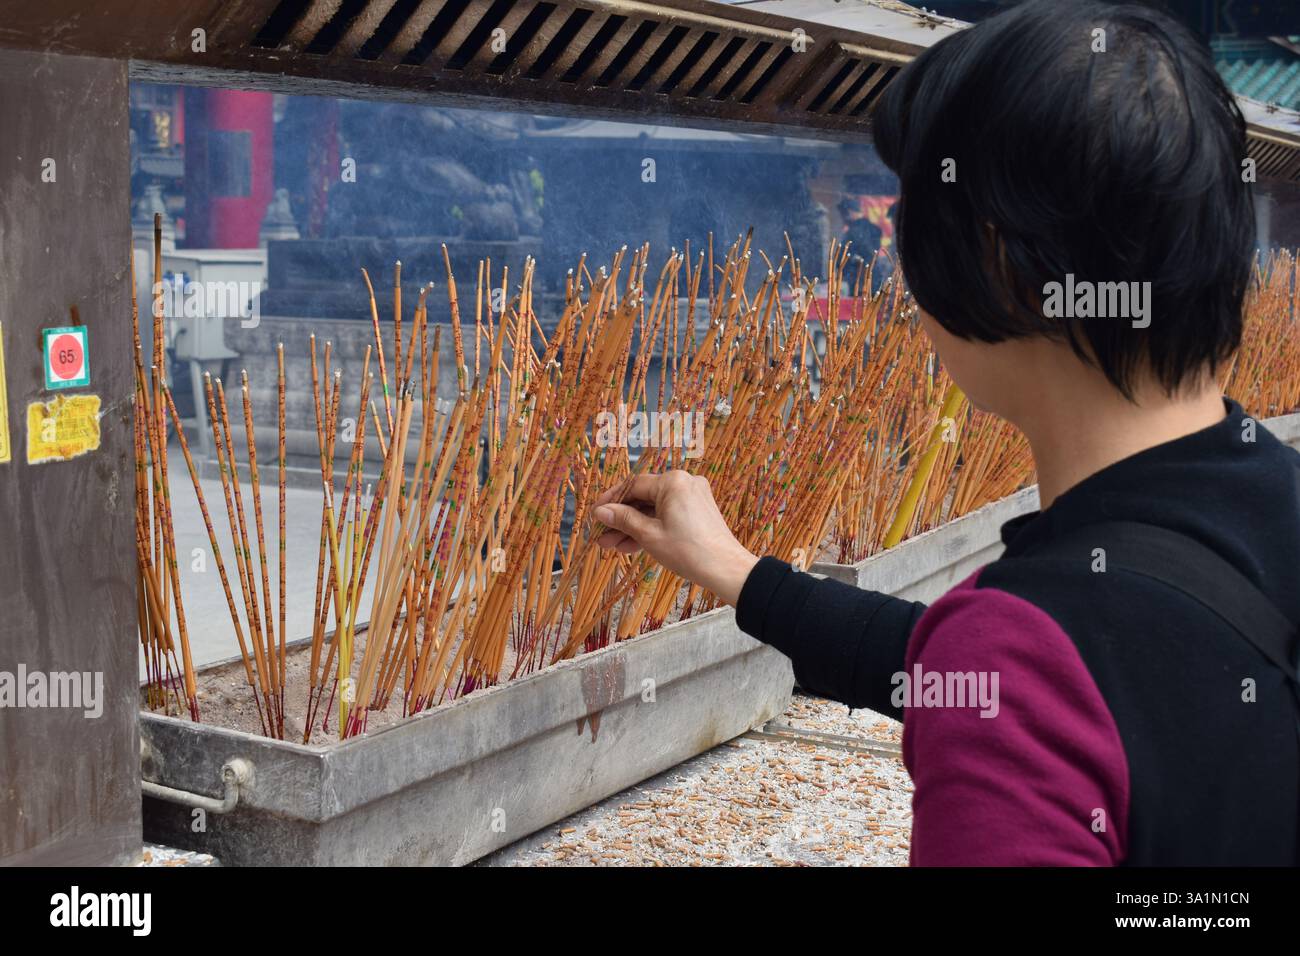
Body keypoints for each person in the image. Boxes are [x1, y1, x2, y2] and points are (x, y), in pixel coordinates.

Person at [590, 0, 1300, 866]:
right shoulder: (1267, 503)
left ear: (996, 260)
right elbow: (1008, 671)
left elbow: (1022, 677)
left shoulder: (1031, 655)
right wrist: (738, 574)